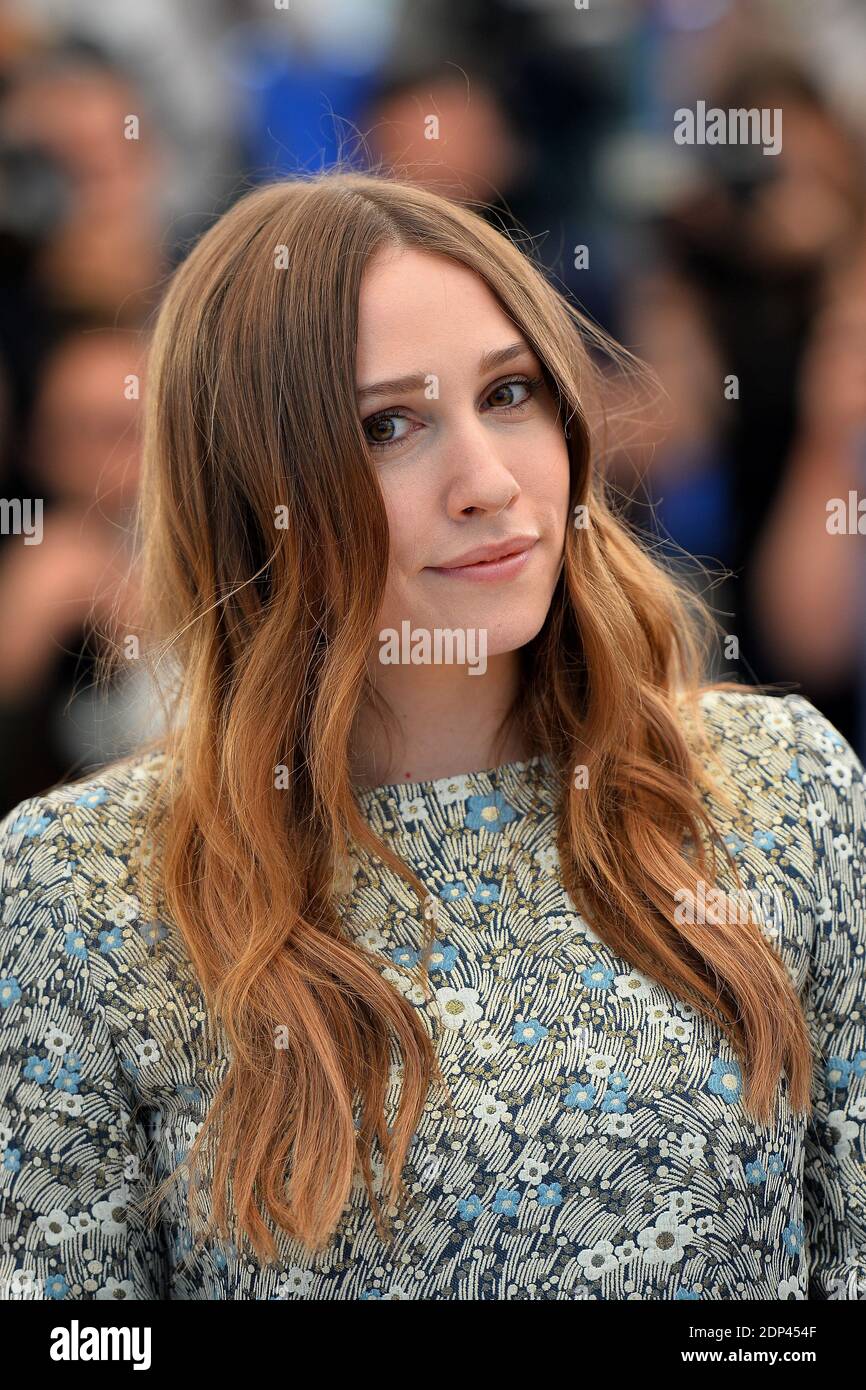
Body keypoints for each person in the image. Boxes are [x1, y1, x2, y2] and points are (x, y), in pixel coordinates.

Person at [0, 171, 864, 1303]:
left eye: (509, 393)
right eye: (389, 425)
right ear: (252, 490)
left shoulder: (781, 788)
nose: (488, 481)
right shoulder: (79, 890)